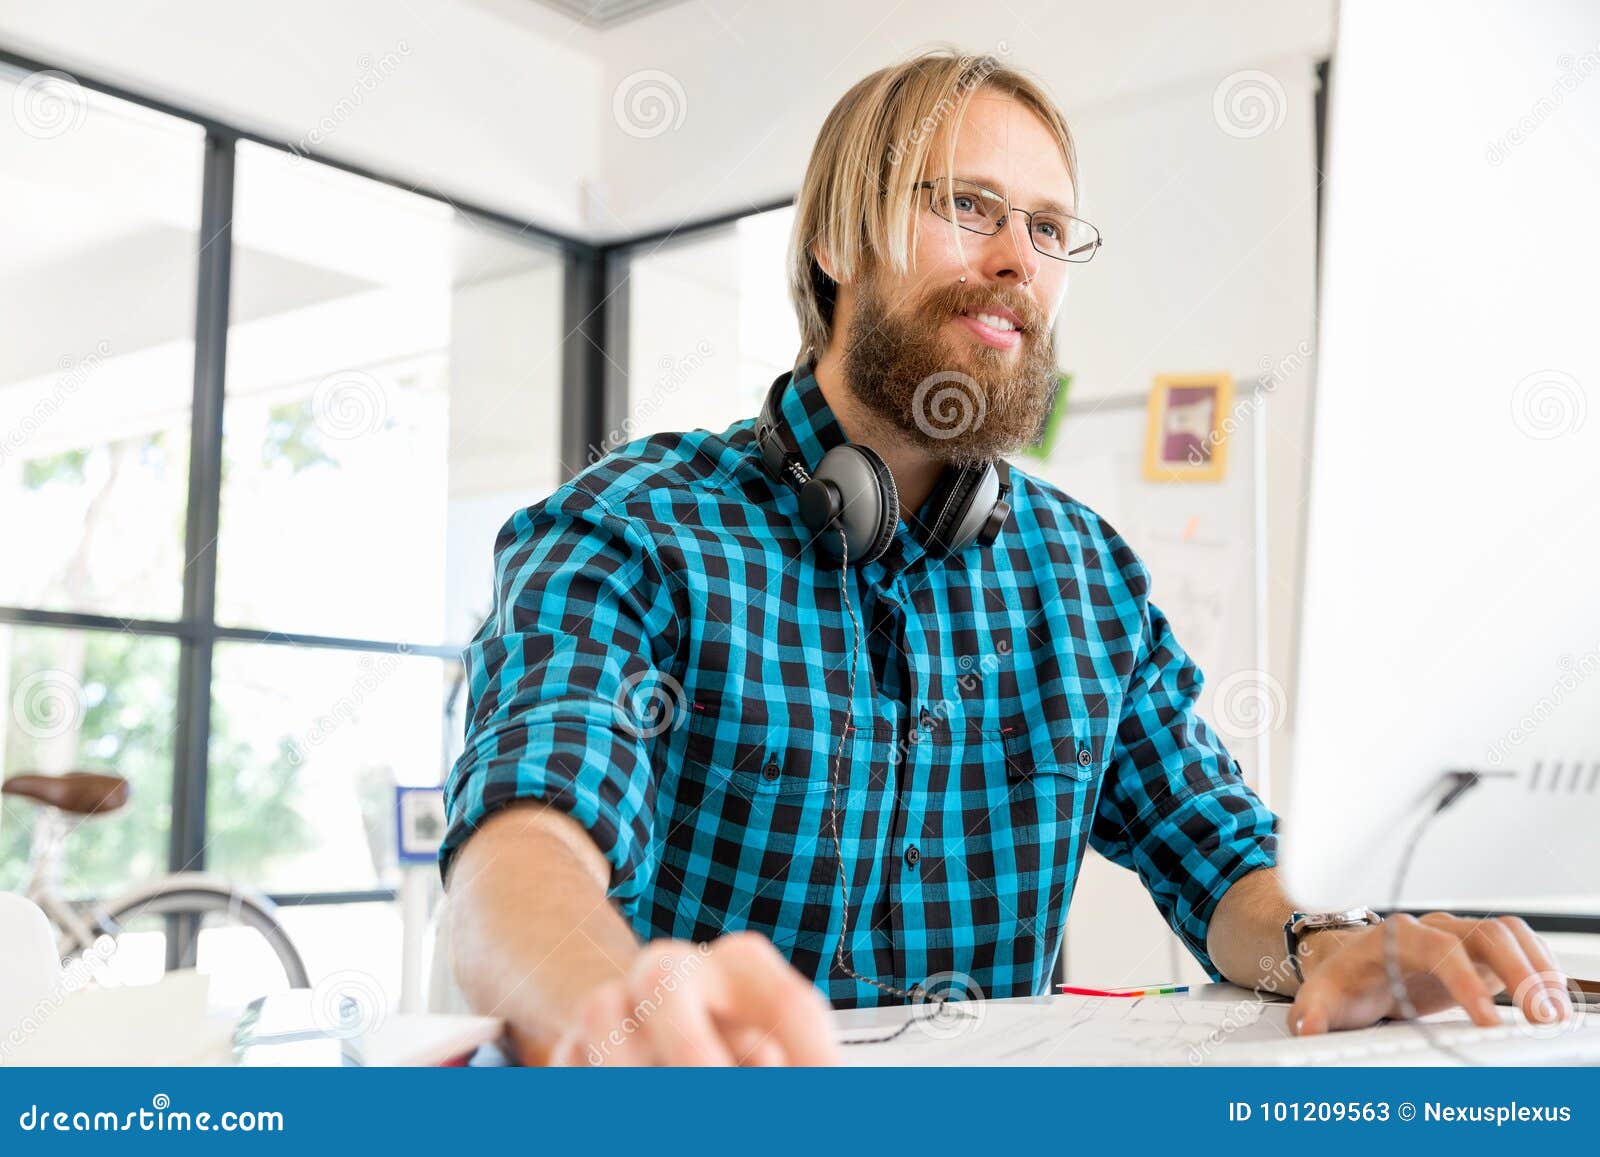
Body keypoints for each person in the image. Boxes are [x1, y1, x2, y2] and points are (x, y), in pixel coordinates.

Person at [441, 48, 1573, 1065]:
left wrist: (1326, 942)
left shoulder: (1080, 573)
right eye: (968, 205)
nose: (1015, 259)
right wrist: (607, 1001)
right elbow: (523, 847)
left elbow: (1219, 856)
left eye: (1046, 227)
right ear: (835, 240)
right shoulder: (631, 526)